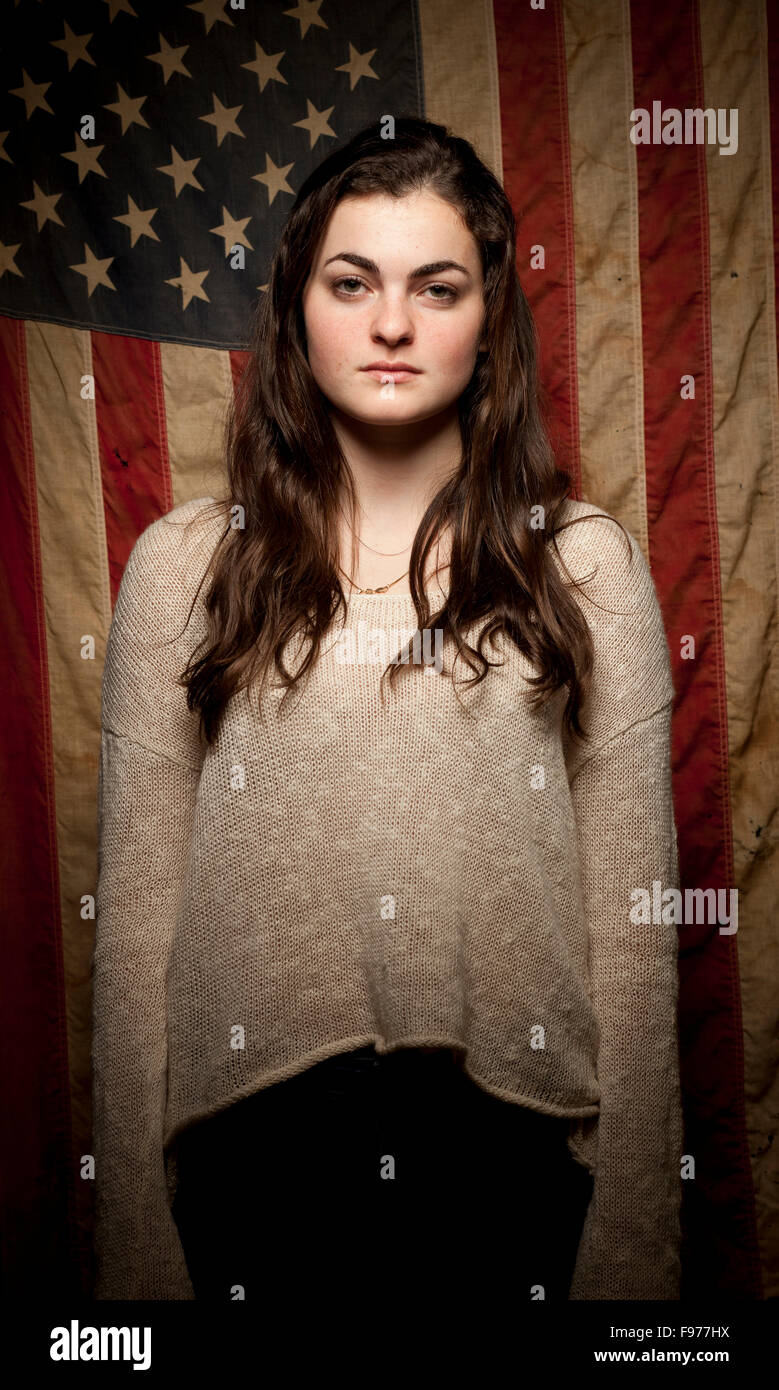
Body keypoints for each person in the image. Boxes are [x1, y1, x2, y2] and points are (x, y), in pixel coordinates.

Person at [91, 117, 684, 1302]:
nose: (393, 324)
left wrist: (627, 1257)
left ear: (489, 319)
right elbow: (137, 930)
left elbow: (631, 934)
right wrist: (135, 1261)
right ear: (296, 308)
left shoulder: (582, 565)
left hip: (509, 1158)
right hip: (249, 1163)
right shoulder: (184, 565)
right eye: (351, 281)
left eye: (438, 285)